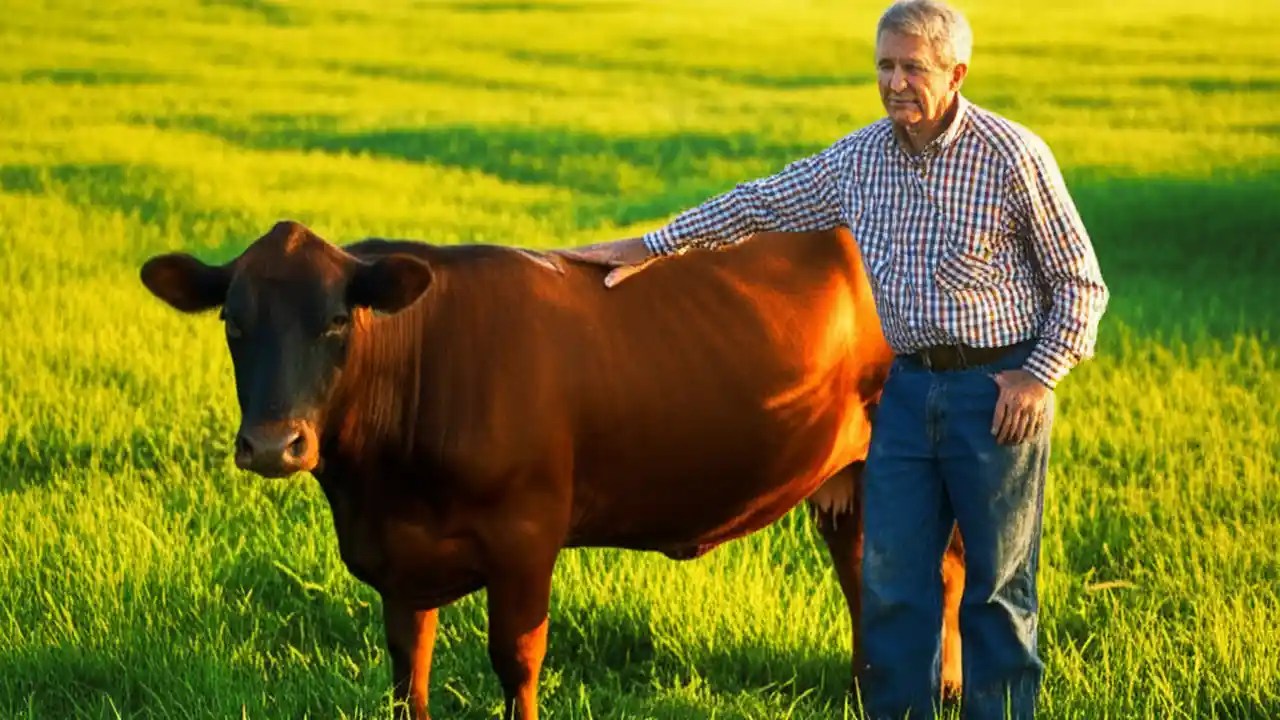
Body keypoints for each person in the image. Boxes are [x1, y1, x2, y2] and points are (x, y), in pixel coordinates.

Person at [559, 1, 1109, 718]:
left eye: (913, 67)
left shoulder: (1012, 156)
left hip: (994, 392)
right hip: (906, 393)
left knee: (998, 590)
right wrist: (651, 246)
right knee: (890, 583)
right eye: (885, 65)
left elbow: (1080, 282)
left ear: (957, 72)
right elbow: (757, 205)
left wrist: (1037, 378)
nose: (894, 82)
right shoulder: (859, 159)